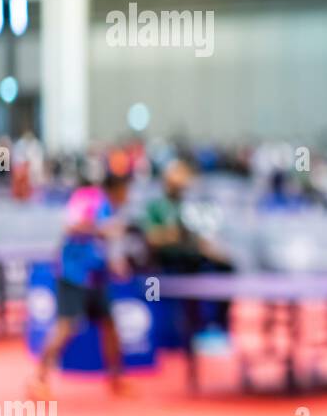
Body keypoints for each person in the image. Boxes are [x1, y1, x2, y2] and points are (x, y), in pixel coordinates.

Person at [33, 173, 132, 398]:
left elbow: (104, 245)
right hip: (74, 274)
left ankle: (116, 379)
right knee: (66, 327)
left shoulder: (113, 209)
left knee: (110, 326)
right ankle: (38, 380)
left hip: (97, 277)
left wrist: (116, 264)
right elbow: (71, 227)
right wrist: (101, 229)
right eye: (126, 191)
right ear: (117, 189)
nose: (128, 196)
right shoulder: (90, 198)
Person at [142, 159, 235, 346]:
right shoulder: (156, 206)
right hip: (168, 258)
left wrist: (214, 251)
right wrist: (174, 235)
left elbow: (199, 236)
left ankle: (218, 325)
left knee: (226, 267)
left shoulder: (189, 206)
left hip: (192, 255)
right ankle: (189, 326)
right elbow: (150, 237)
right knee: (191, 264)